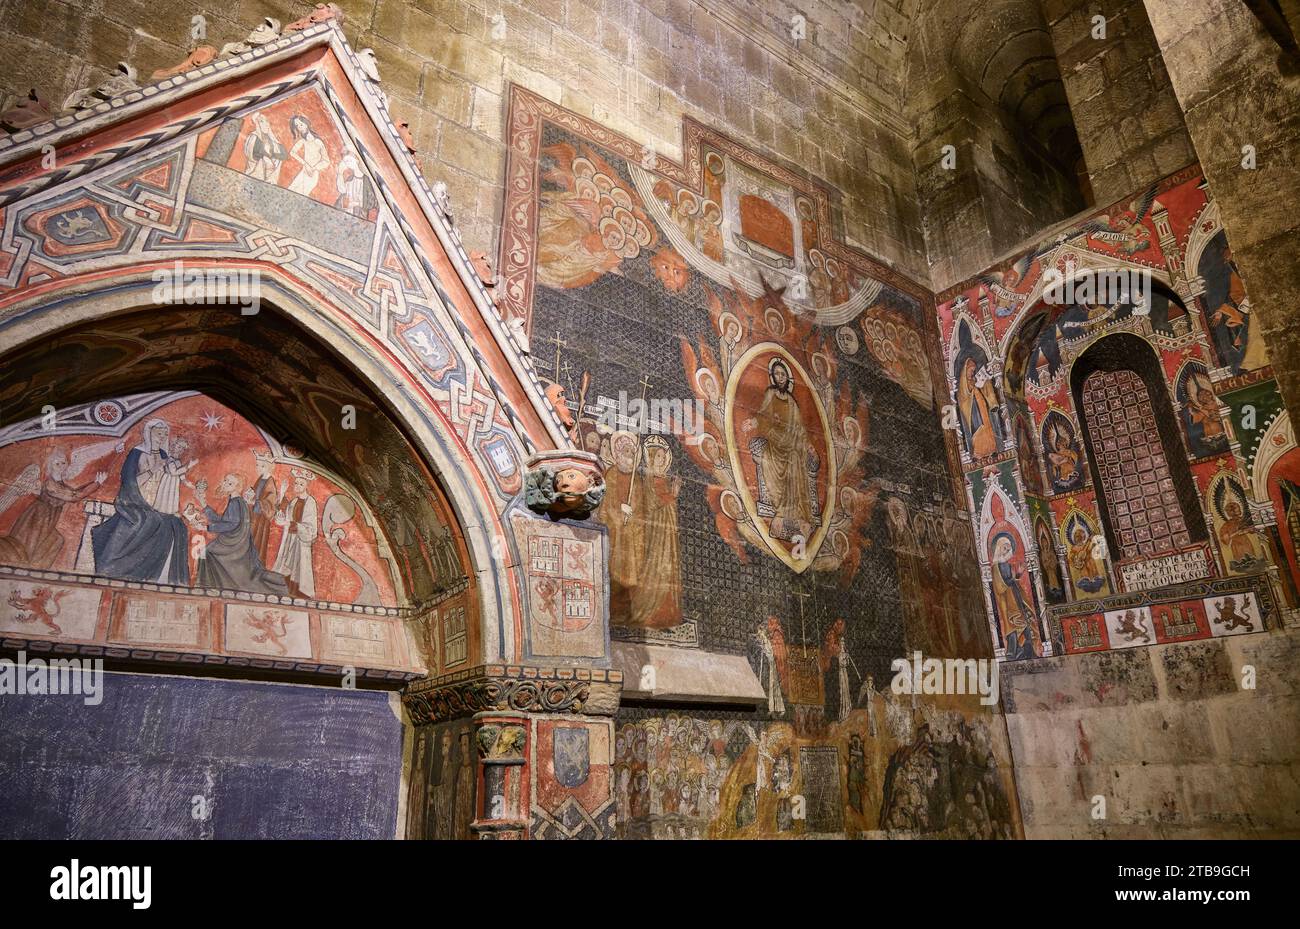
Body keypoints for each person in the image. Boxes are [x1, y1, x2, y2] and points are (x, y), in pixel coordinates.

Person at [91, 419, 190, 584]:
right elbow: (131, 482)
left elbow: (170, 480)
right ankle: (121, 569)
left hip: (158, 503)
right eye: (159, 433)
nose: (163, 437)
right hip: (135, 500)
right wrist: (153, 470)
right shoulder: (137, 452)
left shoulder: (165, 456)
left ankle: (162, 578)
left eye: (165, 434)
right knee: (149, 521)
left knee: (177, 526)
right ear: (149, 433)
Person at [190, 472, 292, 596]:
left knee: (206, 553)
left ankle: (207, 587)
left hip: (234, 544)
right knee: (206, 552)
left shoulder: (236, 502)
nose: (225, 484)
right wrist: (203, 504)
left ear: (236, 487)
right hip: (234, 541)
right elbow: (224, 520)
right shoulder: (236, 501)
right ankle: (213, 585)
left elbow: (231, 524)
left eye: (230, 483)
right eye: (226, 481)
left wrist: (206, 527)